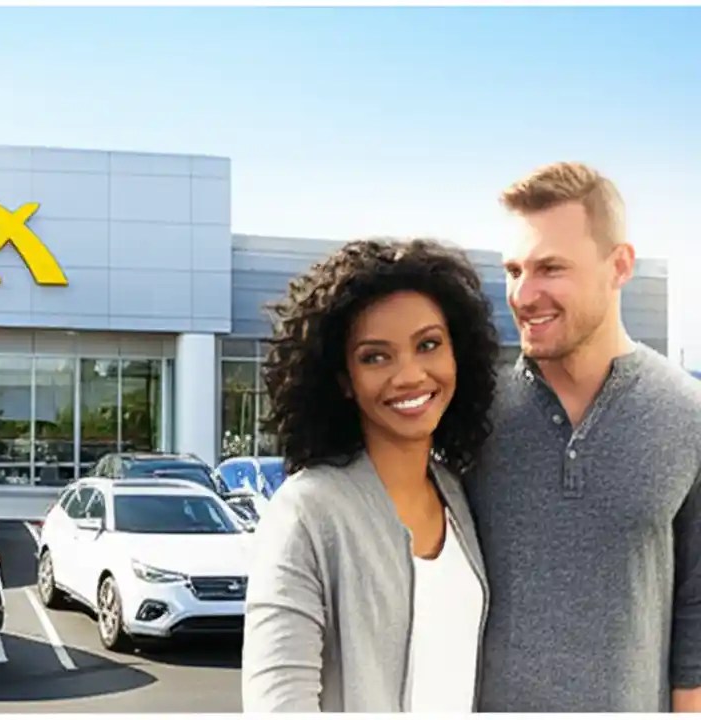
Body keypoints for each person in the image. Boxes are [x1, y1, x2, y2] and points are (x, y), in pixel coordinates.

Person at [464, 161, 701, 712]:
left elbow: (696, 610)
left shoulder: (688, 415)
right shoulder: (471, 416)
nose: (523, 294)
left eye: (549, 268)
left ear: (619, 265)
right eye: (514, 269)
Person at [241, 237, 501, 712]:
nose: (410, 375)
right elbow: (278, 702)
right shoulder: (308, 511)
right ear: (343, 379)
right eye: (375, 356)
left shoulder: (457, 494)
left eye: (428, 345)